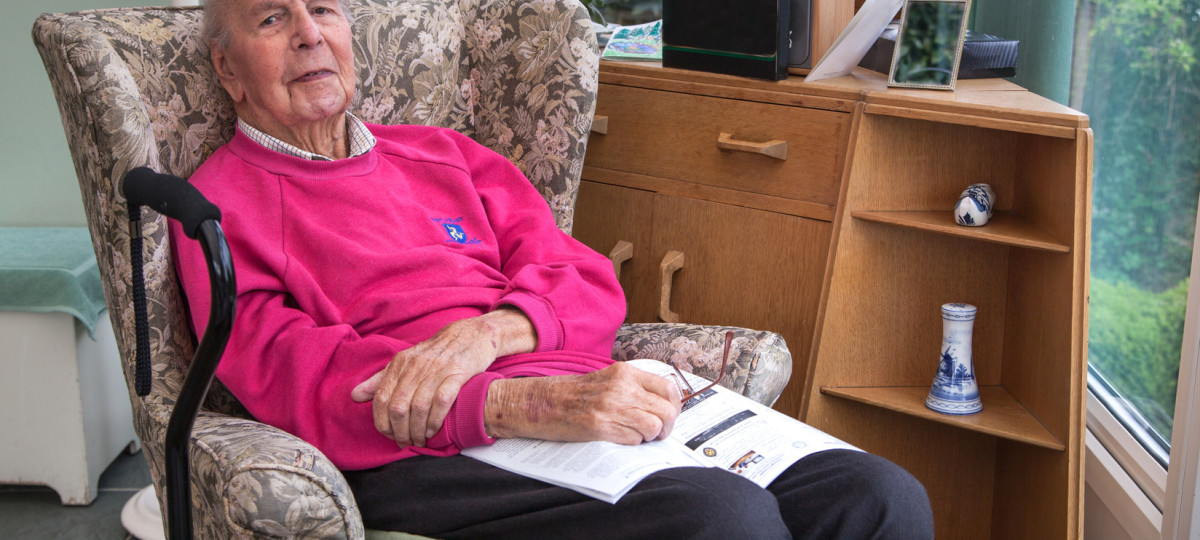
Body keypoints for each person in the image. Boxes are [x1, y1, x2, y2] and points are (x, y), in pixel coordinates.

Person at [171, 0, 936, 537]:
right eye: (273, 19)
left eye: (325, 11)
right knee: (721, 519)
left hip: (583, 396)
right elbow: (299, 380)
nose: (309, 35)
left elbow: (584, 279)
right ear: (228, 68)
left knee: (879, 496)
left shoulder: (444, 154)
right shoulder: (218, 207)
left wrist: (488, 334)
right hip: (439, 446)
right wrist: (523, 402)